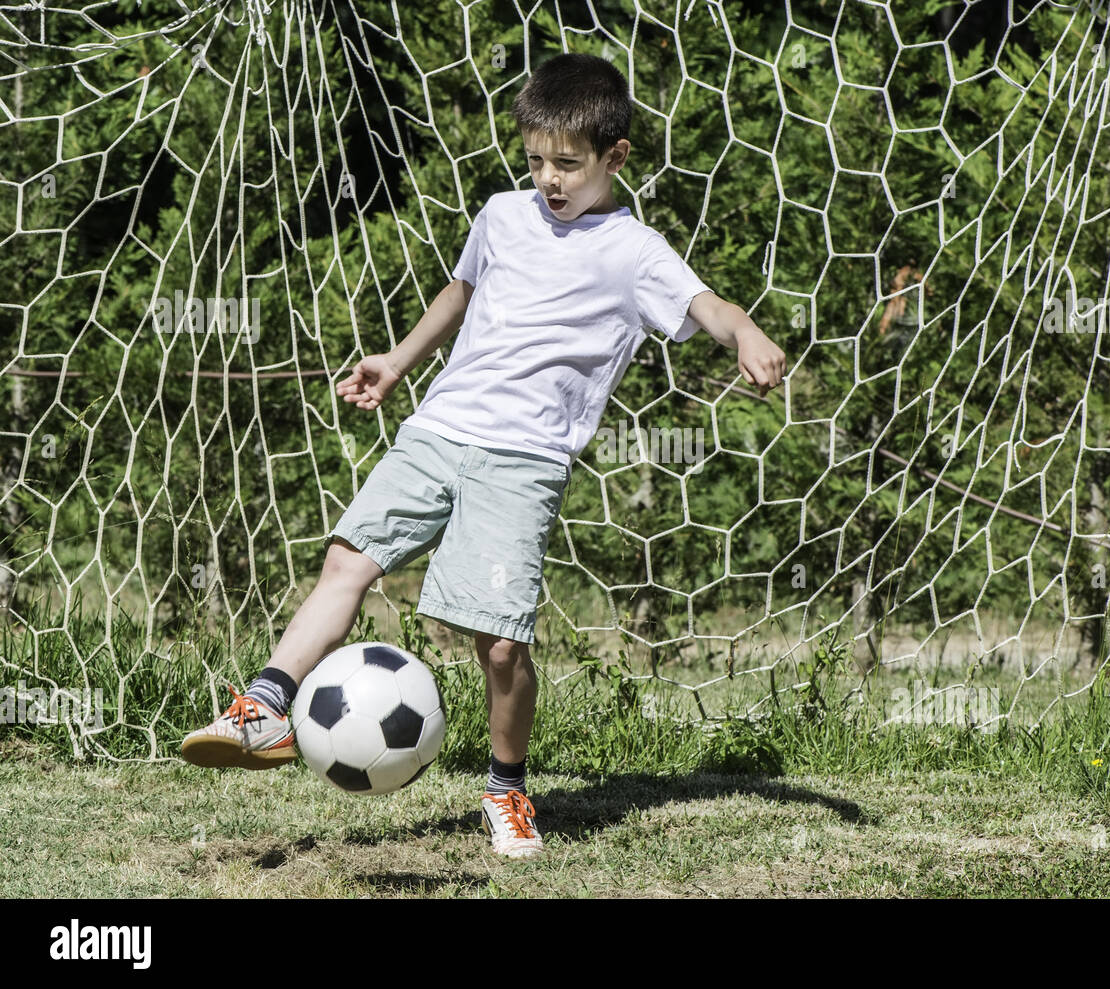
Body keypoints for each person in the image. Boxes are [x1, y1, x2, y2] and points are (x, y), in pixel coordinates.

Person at [179, 52, 787, 859]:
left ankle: (506, 788)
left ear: (616, 155)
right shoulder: (502, 214)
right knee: (346, 561)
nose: (549, 178)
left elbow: (704, 302)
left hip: (524, 458)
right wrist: (397, 361)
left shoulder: (634, 249)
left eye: (567, 163)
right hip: (439, 428)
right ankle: (262, 707)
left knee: (498, 643)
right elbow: (461, 294)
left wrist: (744, 330)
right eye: (536, 159)